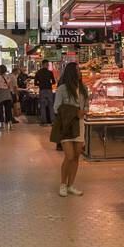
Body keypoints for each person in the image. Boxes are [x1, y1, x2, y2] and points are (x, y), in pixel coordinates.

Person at [51, 61, 89, 196]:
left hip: (79, 124)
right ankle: (62, 183)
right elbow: (56, 108)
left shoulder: (84, 88)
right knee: (69, 155)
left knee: (77, 155)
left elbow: (86, 106)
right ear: (71, 72)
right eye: (78, 70)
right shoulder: (62, 89)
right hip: (66, 126)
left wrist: (83, 112)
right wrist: (73, 112)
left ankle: (71, 184)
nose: (80, 72)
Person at [0, 64, 15, 131]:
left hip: (0, 94)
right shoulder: (8, 77)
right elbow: (10, 86)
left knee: (0, 110)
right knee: (8, 110)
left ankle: (2, 126)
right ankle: (11, 126)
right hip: (7, 94)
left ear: (0, 70)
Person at [35, 61, 56, 125]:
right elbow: (54, 82)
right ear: (45, 65)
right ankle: (53, 121)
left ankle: (44, 122)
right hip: (49, 90)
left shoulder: (38, 72)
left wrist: (41, 84)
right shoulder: (50, 72)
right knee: (51, 106)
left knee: (42, 106)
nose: (48, 66)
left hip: (42, 90)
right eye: (47, 64)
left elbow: (35, 83)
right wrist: (49, 83)